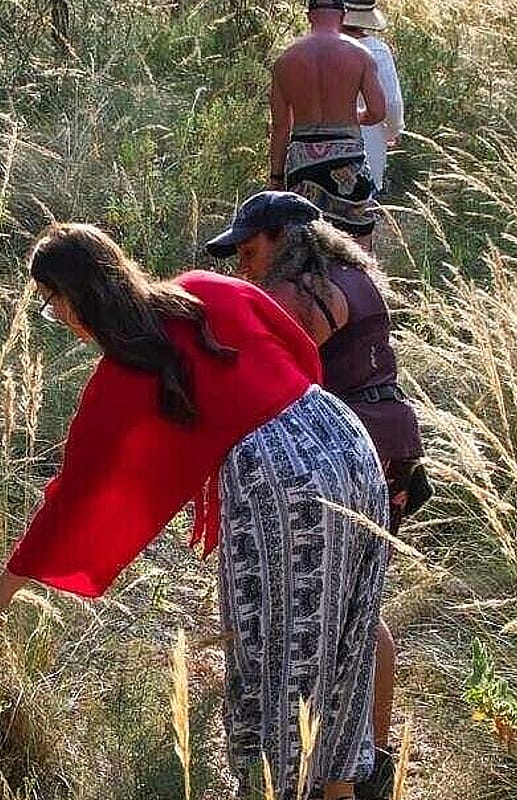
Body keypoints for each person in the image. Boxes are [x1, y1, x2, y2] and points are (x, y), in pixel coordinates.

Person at [0, 222, 390, 800]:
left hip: (279, 481)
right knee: (346, 632)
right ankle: (340, 787)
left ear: (75, 297)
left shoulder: (123, 375)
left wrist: (0, 591)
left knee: (276, 657)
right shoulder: (204, 289)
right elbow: (294, 342)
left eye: (52, 301)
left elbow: (74, 497)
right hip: (344, 438)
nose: (58, 317)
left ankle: (278, 788)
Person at [206, 192, 428, 800]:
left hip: (351, 453)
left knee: (349, 615)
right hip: (386, 444)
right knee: (358, 606)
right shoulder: (353, 275)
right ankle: (366, 757)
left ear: (287, 239)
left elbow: (270, 369)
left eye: (250, 251)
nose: (243, 267)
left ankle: (358, 761)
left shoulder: (305, 292)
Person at [268, 0, 387, 250]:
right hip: (348, 162)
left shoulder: (285, 60)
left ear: (309, 16)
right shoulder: (360, 55)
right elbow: (377, 113)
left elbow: (280, 127)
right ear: (343, 16)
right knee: (359, 247)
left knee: (306, 246)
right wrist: (348, 116)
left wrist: (276, 177)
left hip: (302, 166)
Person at [341, 0, 404, 194]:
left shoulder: (315, 49)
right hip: (367, 144)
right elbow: (391, 103)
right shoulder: (377, 50)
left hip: (318, 148)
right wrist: (393, 131)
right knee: (362, 203)